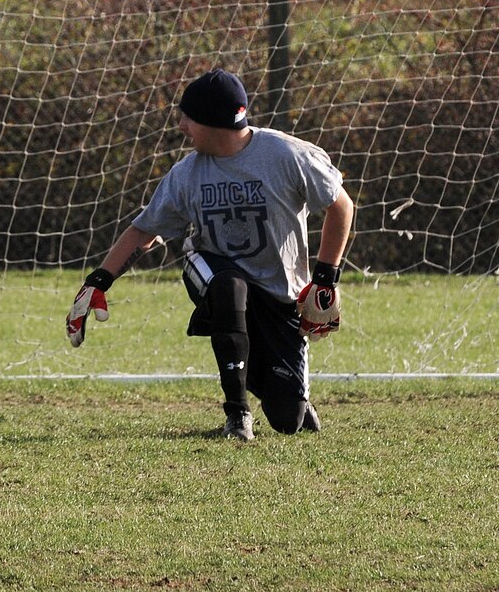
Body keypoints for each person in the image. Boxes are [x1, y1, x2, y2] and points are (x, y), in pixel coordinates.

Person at [67, 69, 354, 441]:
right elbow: (145, 230)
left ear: (216, 122)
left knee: (288, 419)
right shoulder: (187, 173)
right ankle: (237, 415)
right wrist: (99, 280)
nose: (182, 126)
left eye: (189, 117)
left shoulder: (286, 154)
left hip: (278, 293)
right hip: (210, 266)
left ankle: (288, 395)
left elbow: (341, 206)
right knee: (228, 287)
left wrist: (324, 277)